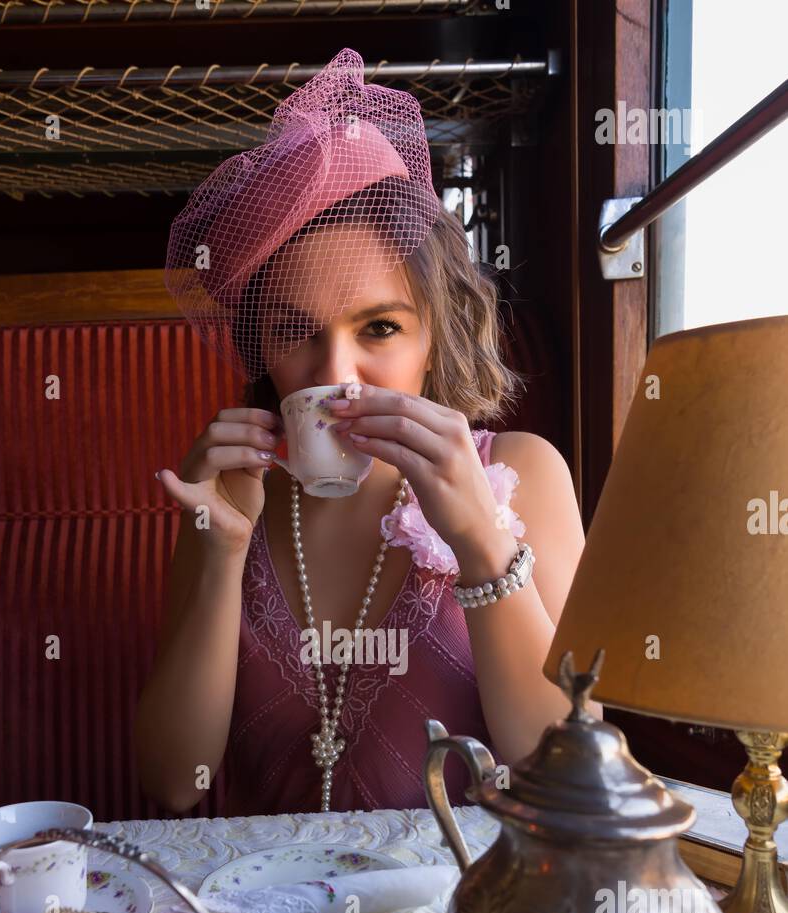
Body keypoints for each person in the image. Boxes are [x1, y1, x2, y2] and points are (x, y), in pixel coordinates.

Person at [136, 49, 597, 817]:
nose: (338, 372)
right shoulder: (228, 500)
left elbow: (570, 779)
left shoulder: (522, 472)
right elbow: (174, 785)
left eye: (378, 327)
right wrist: (219, 551)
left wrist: (481, 541)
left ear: (434, 339)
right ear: (262, 356)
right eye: (296, 334)